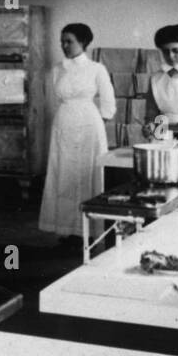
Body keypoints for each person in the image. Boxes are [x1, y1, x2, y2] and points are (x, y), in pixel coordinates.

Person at [39, 23, 116, 245]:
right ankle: (67, 231)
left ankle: (88, 233)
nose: (64, 45)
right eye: (62, 41)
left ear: (83, 42)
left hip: (89, 126)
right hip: (64, 123)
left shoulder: (96, 68)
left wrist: (91, 125)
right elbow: (56, 98)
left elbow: (108, 105)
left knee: (86, 175)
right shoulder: (57, 69)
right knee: (63, 175)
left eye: (69, 41)